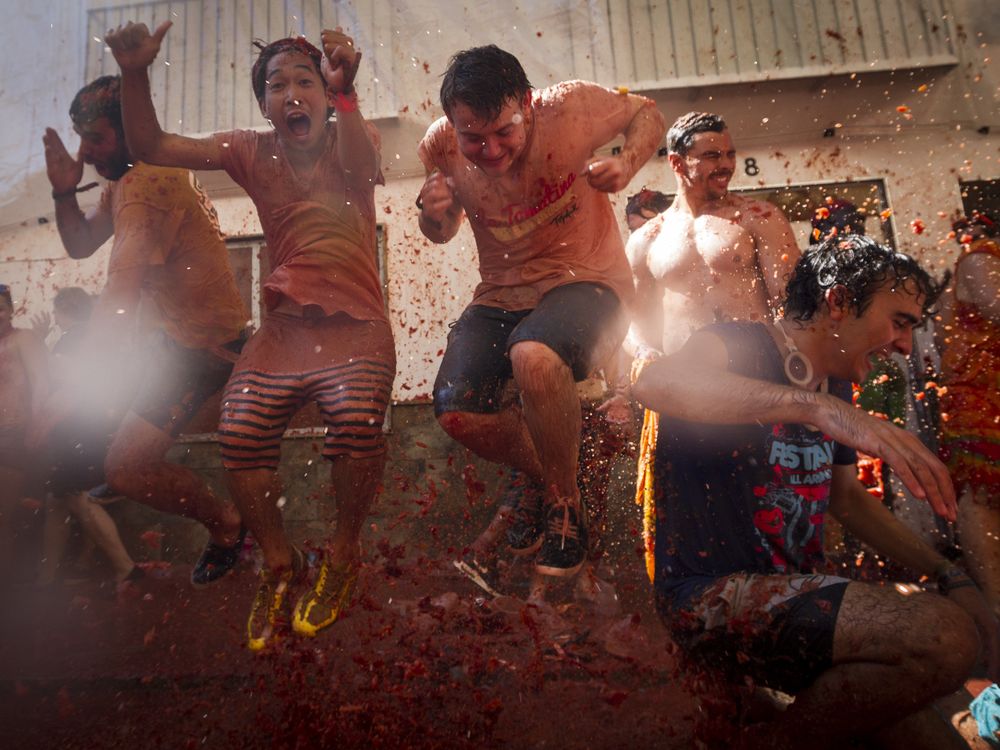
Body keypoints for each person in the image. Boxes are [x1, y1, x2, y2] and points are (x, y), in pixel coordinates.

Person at [632, 234, 998, 748]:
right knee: (946, 637)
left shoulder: (837, 383)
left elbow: (846, 499)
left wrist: (949, 573)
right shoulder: (738, 342)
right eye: (900, 322)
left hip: (799, 608)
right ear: (839, 301)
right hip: (706, 599)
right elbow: (656, 384)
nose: (905, 346)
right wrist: (817, 409)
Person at [106, 22, 394, 650]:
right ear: (263, 104)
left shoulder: (352, 133)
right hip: (285, 327)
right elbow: (152, 143)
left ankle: (342, 556)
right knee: (239, 428)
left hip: (356, 324)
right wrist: (133, 73)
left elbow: (367, 166)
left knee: (354, 418)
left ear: (326, 91)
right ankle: (280, 562)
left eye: (306, 82)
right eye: (277, 85)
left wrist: (349, 97)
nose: (292, 93)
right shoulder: (249, 150)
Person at [417, 44, 666, 579]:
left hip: (590, 282)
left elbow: (647, 110)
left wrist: (626, 162)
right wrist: (433, 215)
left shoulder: (570, 106)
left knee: (533, 353)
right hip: (502, 294)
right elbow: (441, 230)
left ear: (527, 105)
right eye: (473, 138)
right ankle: (545, 475)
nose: (490, 151)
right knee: (455, 408)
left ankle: (564, 506)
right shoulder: (439, 148)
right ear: (451, 125)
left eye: (503, 132)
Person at [39, 75, 249, 587]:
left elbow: (118, 297)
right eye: (81, 138)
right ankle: (122, 457)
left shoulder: (146, 187)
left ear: (132, 129)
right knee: (118, 459)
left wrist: (69, 391)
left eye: (98, 138)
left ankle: (228, 526)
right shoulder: (128, 179)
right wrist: (63, 193)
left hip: (206, 352)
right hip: (173, 346)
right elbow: (82, 243)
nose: (86, 153)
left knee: (127, 469)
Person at [625, 112, 801, 580]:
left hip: (756, 388)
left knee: (769, 515)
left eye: (729, 154)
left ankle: (784, 602)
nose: (725, 165)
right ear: (678, 163)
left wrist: (797, 376)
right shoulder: (647, 239)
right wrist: (645, 365)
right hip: (685, 398)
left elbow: (793, 305)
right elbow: (636, 323)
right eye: (710, 156)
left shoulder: (759, 218)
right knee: (687, 522)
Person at [35, 288, 140, 586]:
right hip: (84, 428)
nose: (54, 318)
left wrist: (39, 343)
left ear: (63, 311)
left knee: (82, 500)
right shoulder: (94, 340)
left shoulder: (72, 340)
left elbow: (60, 381)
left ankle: (125, 566)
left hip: (74, 430)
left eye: (56, 312)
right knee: (57, 502)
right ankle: (47, 575)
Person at [940, 212, 1000, 616]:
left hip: (985, 390)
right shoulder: (980, 260)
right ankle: (996, 605)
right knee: (983, 495)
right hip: (981, 398)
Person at [0, 285, 49, 581]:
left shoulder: (23, 339)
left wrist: (37, 425)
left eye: (0, 308)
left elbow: (41, 384)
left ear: (11, 310)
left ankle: (11, 583)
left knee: (6, 514)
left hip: (16, 433)